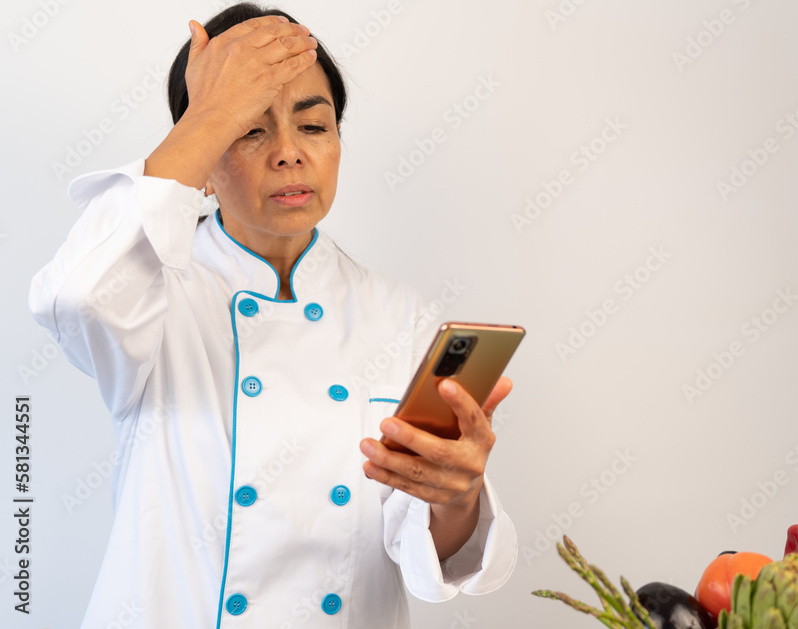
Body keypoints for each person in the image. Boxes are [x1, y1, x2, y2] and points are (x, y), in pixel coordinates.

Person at [28, 4, 517, 627]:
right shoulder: (151, 290)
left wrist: (457, 497)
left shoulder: (400, 316)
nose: (289, 153)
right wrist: (209, 112)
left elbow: (423, 553)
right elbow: (75, 298)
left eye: (313, 126)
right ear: (200, 159)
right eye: (249, 130)